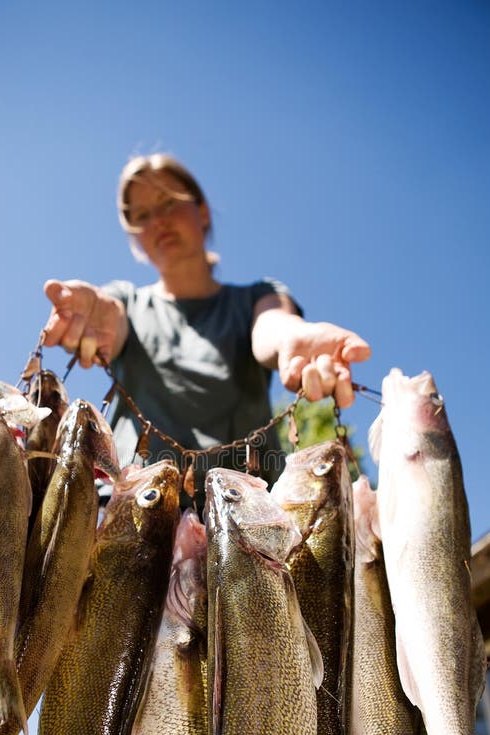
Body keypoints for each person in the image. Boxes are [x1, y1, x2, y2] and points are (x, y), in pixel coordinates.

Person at [42, 154, 371, 488]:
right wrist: (98, 314)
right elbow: (112, 314)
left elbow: (274, 325)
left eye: (168, 203)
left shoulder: (258, 296)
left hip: (246, 516)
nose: (158, 220)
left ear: (202, 211)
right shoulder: (127, 302)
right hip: (131, 511)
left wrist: (294, 338)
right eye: (142, 216)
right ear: (136, 241)